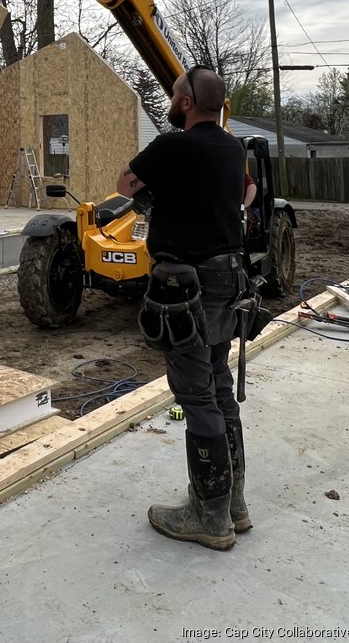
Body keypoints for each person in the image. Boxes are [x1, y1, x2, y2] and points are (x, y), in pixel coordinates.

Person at [116, 67, 247, 551]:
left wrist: (161, 193)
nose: (171, 101)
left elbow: (126, 185)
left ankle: (208, 517)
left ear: (188, 102)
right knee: (219, 386)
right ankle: (234, 502)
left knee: (195, 397)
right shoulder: (232, 148)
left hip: (187, 287)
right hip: (227, 282)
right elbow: (235, 197)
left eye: (174, 94)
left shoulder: (173, 146)